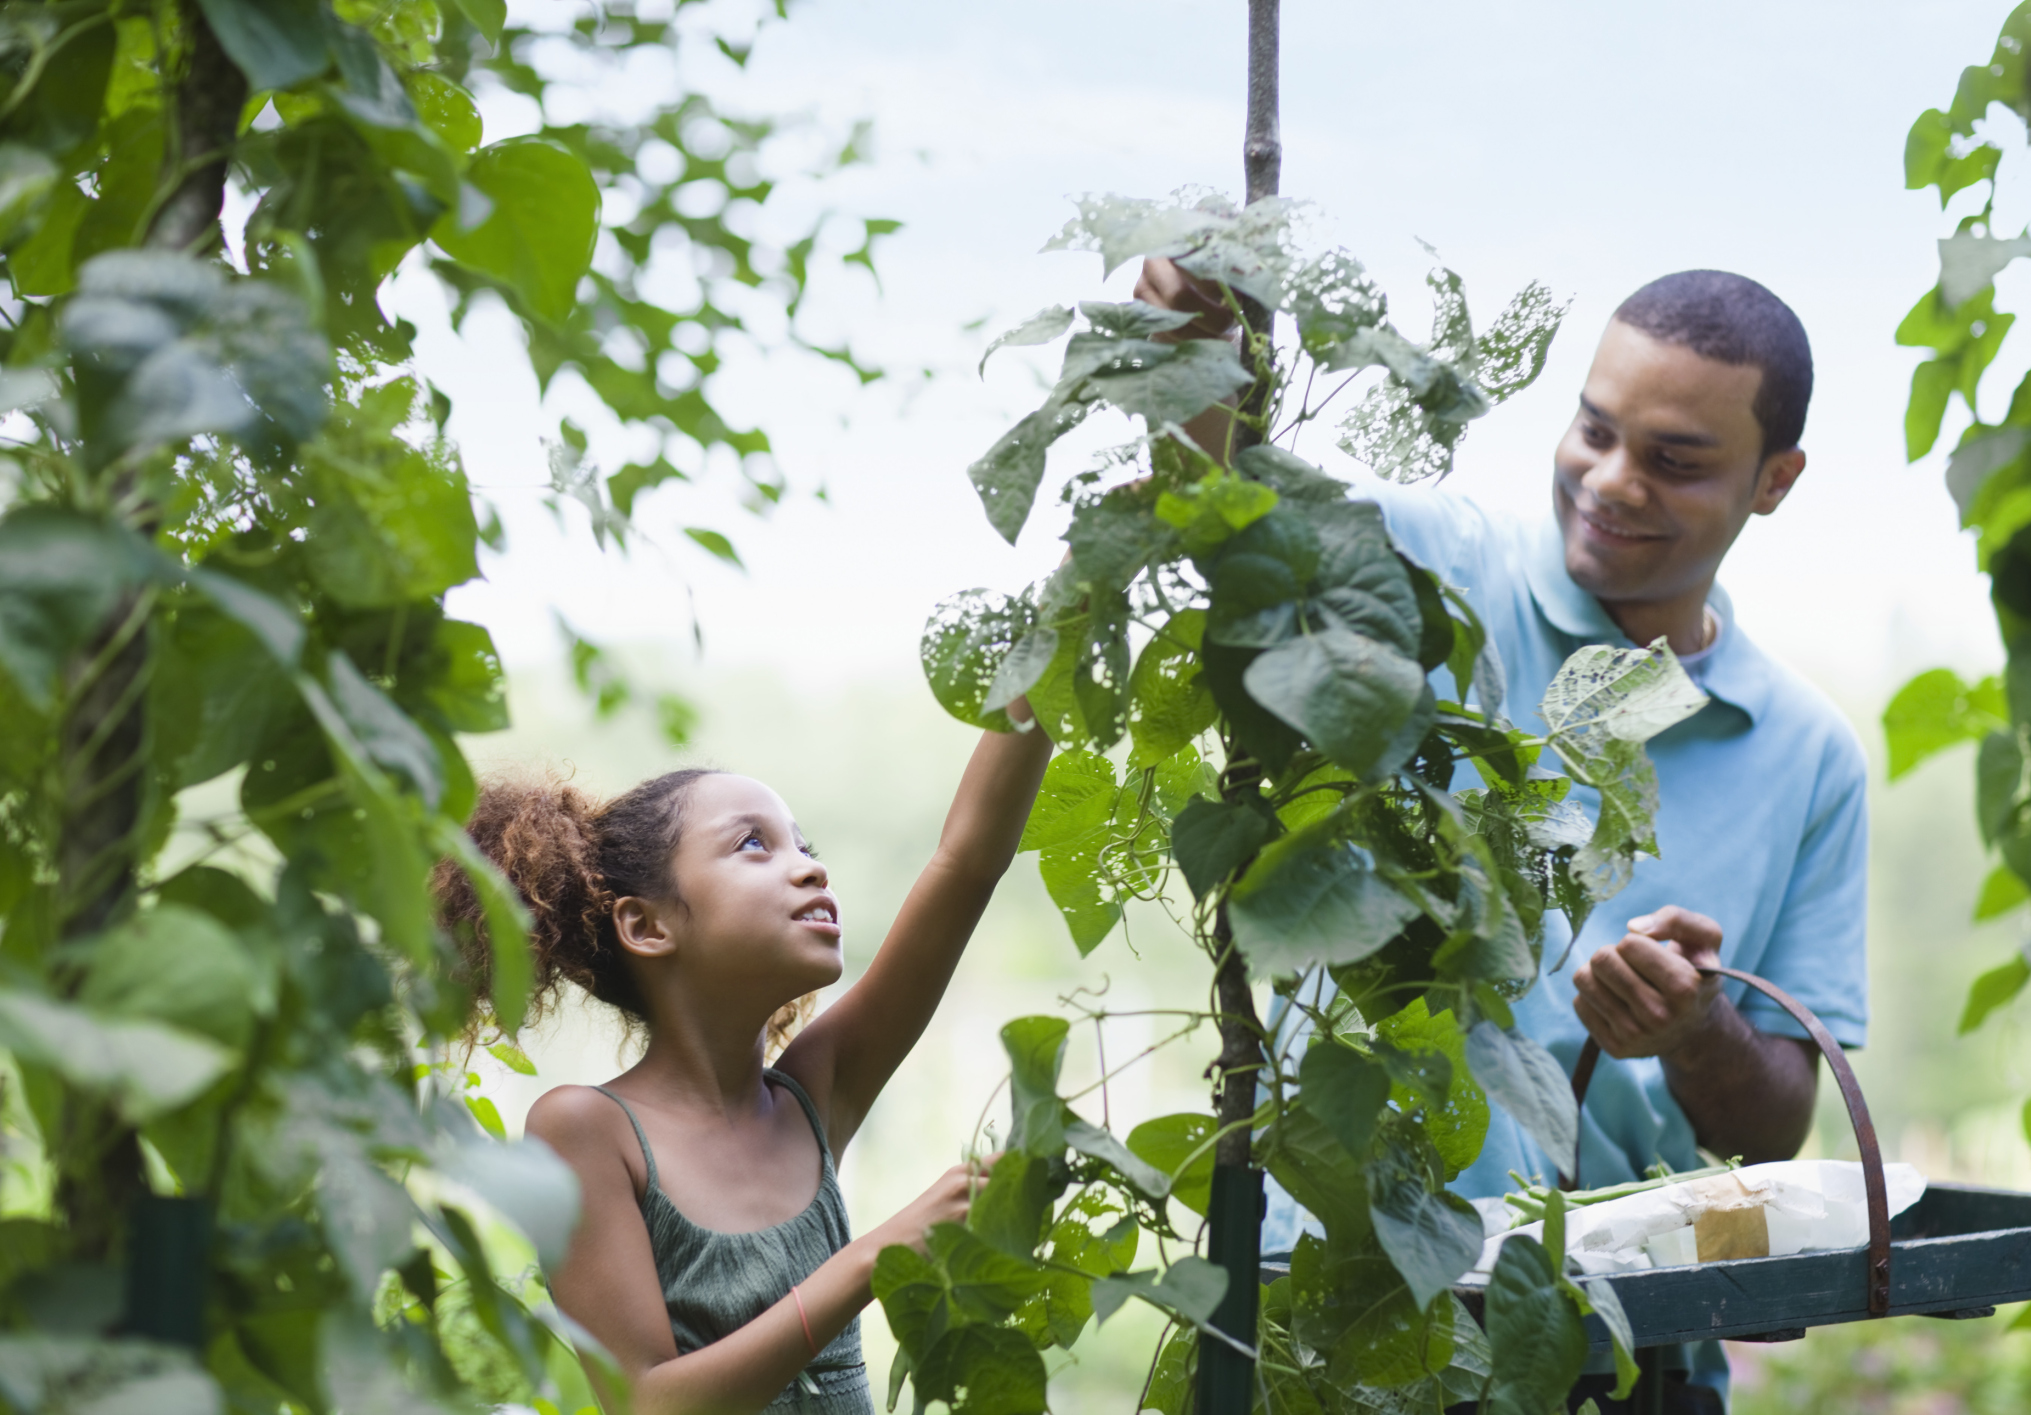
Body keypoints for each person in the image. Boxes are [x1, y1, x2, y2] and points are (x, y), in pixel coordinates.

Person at [1138, 258, 1868, 1414]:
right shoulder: (1437, 570)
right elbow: (1228, 513)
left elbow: (1776, 1123)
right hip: (1352, 1304)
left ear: (1773, 480)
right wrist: (1187, 359)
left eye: (1675, 460)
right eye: (1595, 429)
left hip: (1626, 1347)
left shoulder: (1807, 754)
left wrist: (1694, 1025)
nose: (1613, 482)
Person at [433, 704, 1052, 1414]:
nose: (811, 868)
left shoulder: (813, 1094)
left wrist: (1043, 682)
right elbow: (646, 1402)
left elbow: (966, 863)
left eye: (805, 845)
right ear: (646, 924)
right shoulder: (585, 1130)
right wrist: (873, 1257)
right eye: (755, 845)